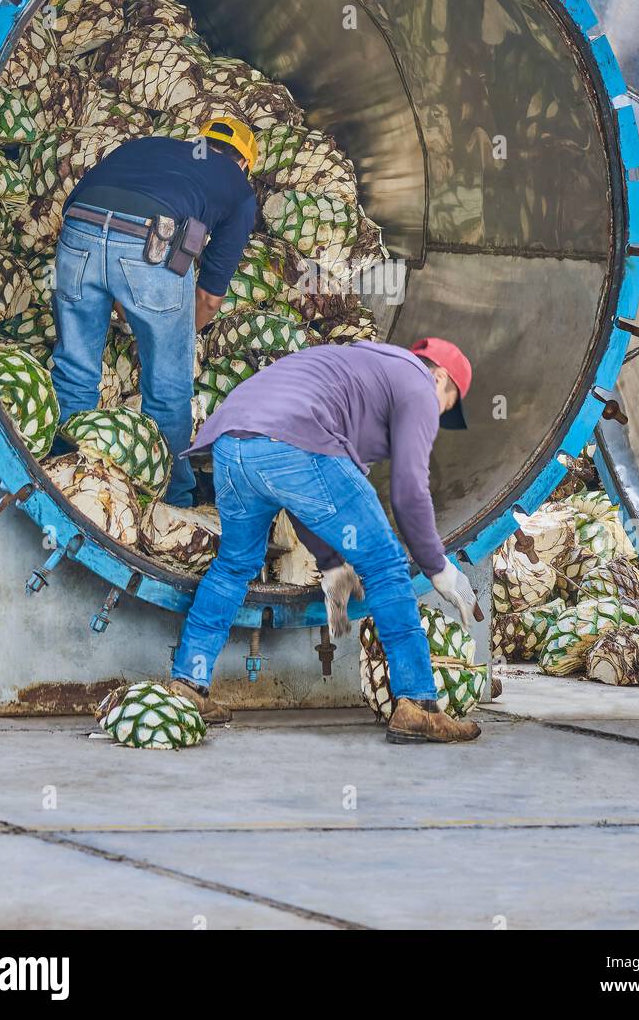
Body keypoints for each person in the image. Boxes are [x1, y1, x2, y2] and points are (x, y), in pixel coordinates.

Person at [169, 337, 484, 745]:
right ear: (440, 375)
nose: (440, 415)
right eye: (449, 402)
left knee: (234, 564)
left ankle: (189, 686)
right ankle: (418, 705)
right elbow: (408, 491)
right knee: (385, 563)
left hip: (233, 444)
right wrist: (437, 565)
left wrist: (332, 563)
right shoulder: (418, 383)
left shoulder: (360, 366)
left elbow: (306, 500)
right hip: (294, 442)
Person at [50, 118, 257, 507]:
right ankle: (172, 501)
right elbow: (210, 297)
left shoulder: (150, 146)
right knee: (167, 389)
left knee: (75, 368)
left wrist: (121, 296)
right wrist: (177, 334)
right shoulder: (239, 188)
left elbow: (78, 209)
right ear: (244, 163)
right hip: (150, 243)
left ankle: (58, 473)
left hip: (78, 233)